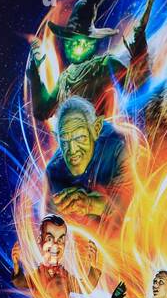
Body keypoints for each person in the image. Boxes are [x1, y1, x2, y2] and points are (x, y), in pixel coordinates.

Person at [43, 96, 129, 228]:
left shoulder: (118, 146)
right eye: (65, 141)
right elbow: (51, 225)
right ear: (57, 139)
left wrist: (90, 204)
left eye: (80, 137)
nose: (72, 150)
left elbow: (131, 210)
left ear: (96, 129)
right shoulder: (54, 171)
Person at [11, 214, 101, 298]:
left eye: (60, 240)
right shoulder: (37, 274)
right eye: (49, 239)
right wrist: (16, 264)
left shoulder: (65, 276)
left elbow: (86, 288)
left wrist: (93, 265)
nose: (55, 245)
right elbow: (21, 283)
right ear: (40, 240)